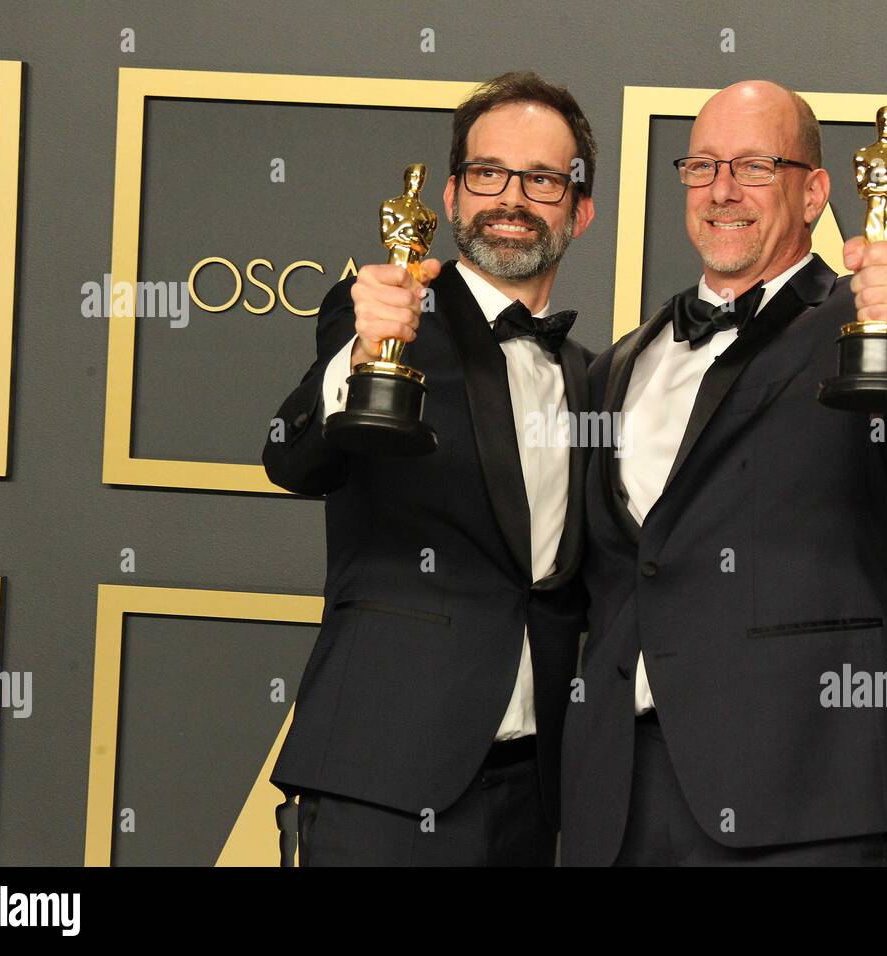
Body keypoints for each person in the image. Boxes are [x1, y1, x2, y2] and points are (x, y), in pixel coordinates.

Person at [559, 80, 887, 866]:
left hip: (803, 787)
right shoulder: (620, 363)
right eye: (703, 165)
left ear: (815, 191)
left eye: (755, 165)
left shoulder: (866, 317)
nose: (723, 189)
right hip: (617, 798)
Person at [264, 71, 596, 865]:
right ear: (450, 197)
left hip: (538, 789)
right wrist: (362, 353)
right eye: (488, 173)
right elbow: (293, 455)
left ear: (580, 211)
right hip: (383, 773)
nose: (511, 197)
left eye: (543, 178)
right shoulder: (388, 314)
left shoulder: (591, 374)